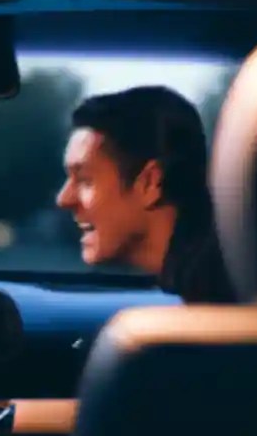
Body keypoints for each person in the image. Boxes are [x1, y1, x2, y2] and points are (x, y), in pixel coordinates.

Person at [56, 86, 237, 304]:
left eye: (85, 180)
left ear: (150, 183)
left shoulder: (214, 308)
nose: (63, 199)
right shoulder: (204, 282)